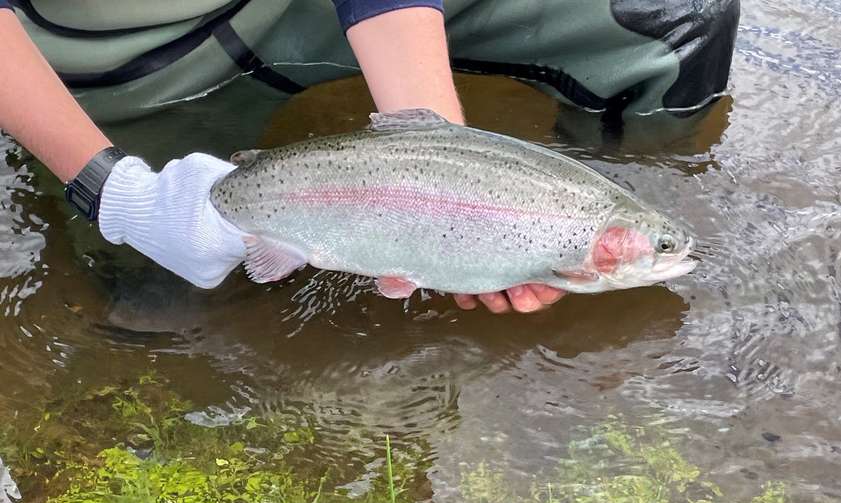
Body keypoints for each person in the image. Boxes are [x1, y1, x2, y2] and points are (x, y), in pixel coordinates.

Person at [0, 0, 739, 313]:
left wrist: (438, 158)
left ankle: (650, 160)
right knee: (158, 292)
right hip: (87, 53)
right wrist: (113, 187)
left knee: (676, 21)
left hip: (289, 11)